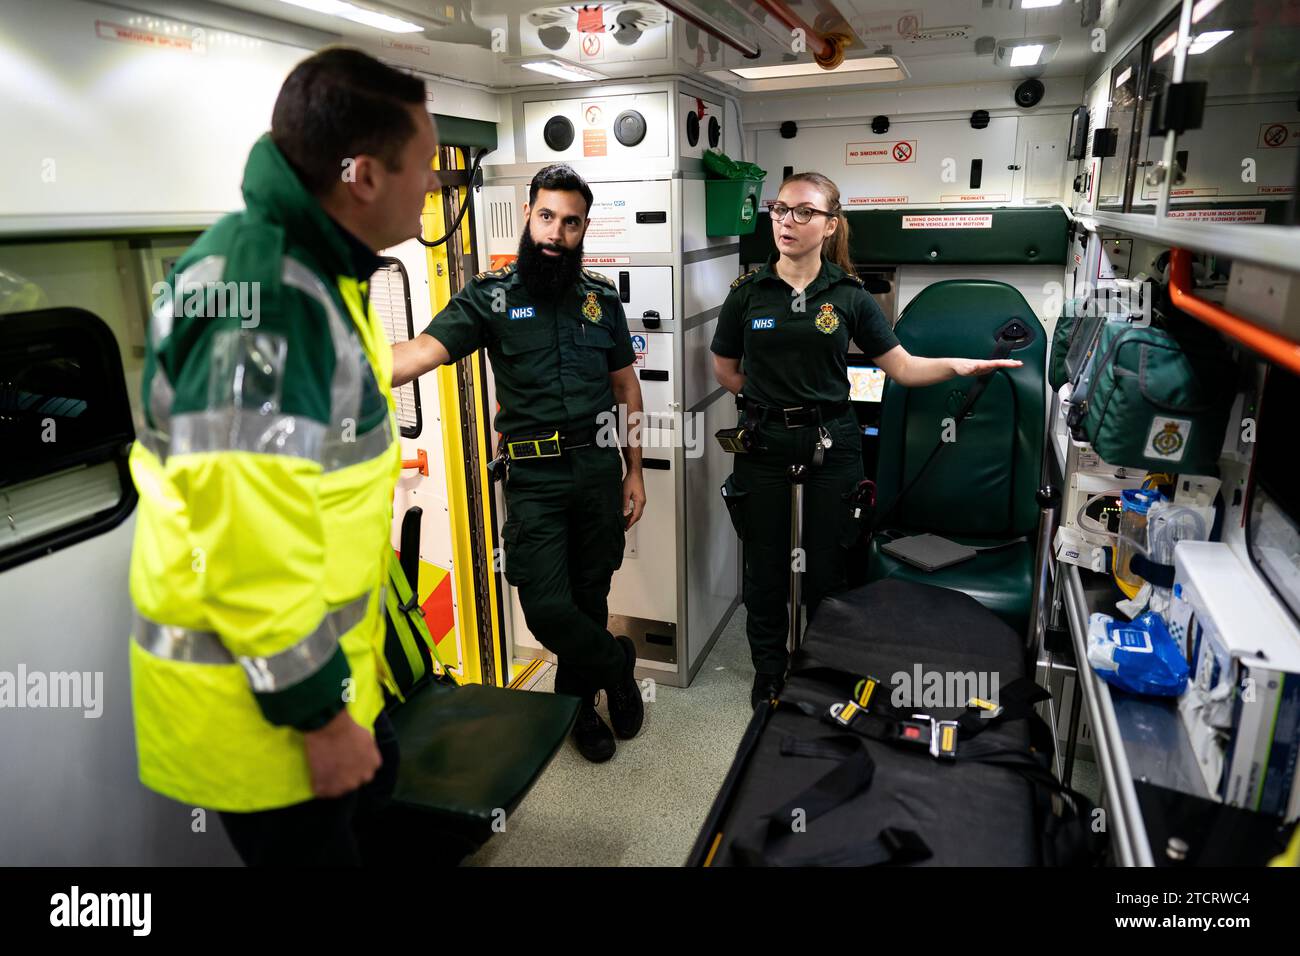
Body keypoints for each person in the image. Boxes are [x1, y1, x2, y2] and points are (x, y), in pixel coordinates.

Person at [128, 48, 439, 865]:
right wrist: (321, 717)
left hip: (328, 686)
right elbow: (244, 545)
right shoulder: (263, 299)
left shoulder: (316, 273)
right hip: (268, 718)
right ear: (363, 176)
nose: (434, 187)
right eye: (426, 166)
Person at [711, 171, 1023, 709]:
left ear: (830, 225)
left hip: (832, 442)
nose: (788, 221)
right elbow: (725, 370)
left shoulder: (850, 297)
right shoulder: (746, 294)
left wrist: (959, 366)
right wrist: (774, 406)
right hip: (764, 445)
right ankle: (768, 672)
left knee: (826, 570)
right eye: (781, 210)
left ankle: (819, 666)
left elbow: (901, 368)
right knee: (764, 569)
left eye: (804, 212)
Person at [391, 163, 647, 764]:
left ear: (585, 230)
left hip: (595, 468)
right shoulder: (491, 297)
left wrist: (635, 470)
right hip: (533, 478)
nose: (557, 233)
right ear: (528, 216)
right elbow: (418, 353)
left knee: (590, 598)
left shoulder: (600, 301)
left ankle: (577, 709)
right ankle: (617, 663)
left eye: (571, 223)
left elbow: (627, 389)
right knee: (548, 606)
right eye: (547, 217)